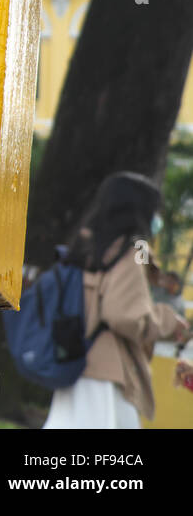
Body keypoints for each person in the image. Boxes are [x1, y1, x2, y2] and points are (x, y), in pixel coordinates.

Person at [42, 171, 189, 428]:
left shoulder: (86, 246)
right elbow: (124, 314)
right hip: (108, 366)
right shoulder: (130, 252)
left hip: (77, 358)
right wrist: (168, 322)